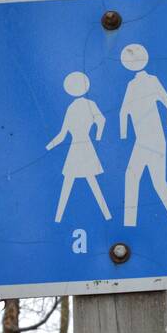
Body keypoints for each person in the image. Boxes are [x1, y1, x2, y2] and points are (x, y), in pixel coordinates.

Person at [119, 44, 167, 227]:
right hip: (149, 139)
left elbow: (123, 112)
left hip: (150, 140)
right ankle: (130, 224)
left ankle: (131, 224)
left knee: (146, 180)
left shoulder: (139, 84)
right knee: (148, 180)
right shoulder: (138, 84)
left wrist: (123, 134)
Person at [46, 71, 111, 222]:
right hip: (83, 146)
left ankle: (58, 217)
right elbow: (101, 121)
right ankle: (106, 215)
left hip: (79, 147)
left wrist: (48, 148)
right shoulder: (87, 105)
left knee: (73, 182)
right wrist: (97, 137)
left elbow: (62, 135)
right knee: (84, 181)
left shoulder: (75, 107)